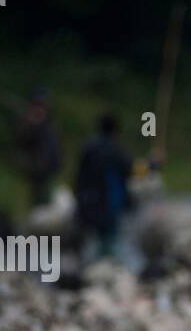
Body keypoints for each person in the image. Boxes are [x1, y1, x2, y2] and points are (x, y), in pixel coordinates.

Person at [74, 114, 134, 259]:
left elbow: (78, 176)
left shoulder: (88, 148)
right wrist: (153, 163)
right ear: (116, 130)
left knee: (92, 240)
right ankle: (109, 265)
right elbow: (131, 170)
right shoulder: (116, 150)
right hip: (109, 204)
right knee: (110, 240)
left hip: (88, 203)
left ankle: (93, 265)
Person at [16, 88, 60, 208]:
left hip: (50, 167)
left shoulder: (49, 121)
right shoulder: (30, 121)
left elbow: (54, 144)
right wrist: (33, 123)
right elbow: (23, 140)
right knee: (38, 201)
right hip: (37, 168)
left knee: (49, 201)